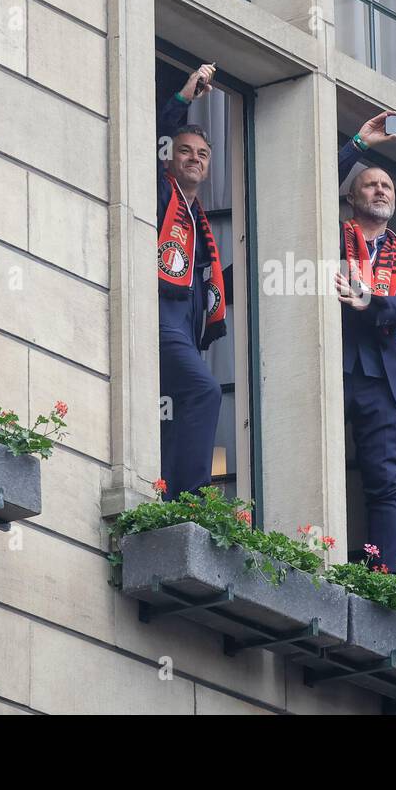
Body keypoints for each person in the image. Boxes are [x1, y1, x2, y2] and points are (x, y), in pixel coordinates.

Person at [334, 111, 396, 571]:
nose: (381, 190)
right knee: (320, 460)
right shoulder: (331, 234)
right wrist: (360, 145)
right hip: (331, 366)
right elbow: (303, 176)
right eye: (371, 184)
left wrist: (371, 303)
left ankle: (382, 577)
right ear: (351, 197)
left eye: (388, 186)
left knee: (386, 482)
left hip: (382, 380)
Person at [156, 63, 228, 499]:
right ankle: (193, 495)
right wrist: (184, 98)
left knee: (177, 411)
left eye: (201, 155)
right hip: (161, 318)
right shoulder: (162, 192)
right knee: (205, 391)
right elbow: (149, 137)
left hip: (188, 326)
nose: (194, 160)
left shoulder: (199, 217)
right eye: (185, 151)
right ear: (169, 155)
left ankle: (164, 496)